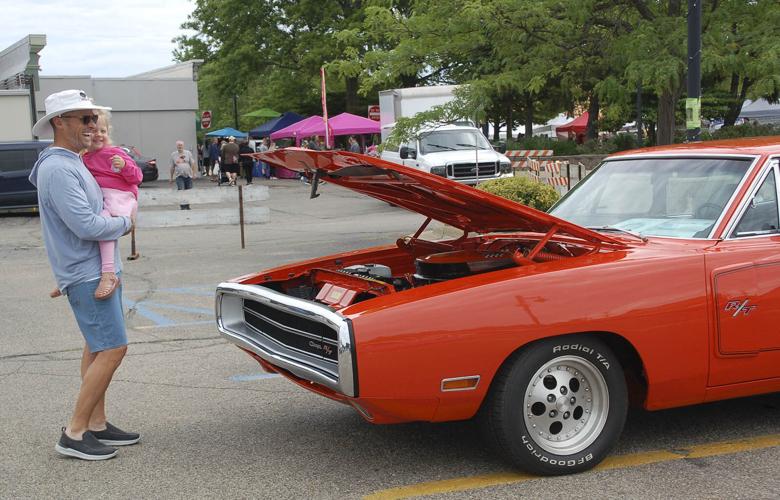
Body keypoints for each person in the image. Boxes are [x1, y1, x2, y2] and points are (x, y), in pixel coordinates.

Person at [29, 89, 139, 461]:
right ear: (60, 122)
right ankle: (74, 432)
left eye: (95, 118)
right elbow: (85, 225)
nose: (94, 125)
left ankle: (96, 423)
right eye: (85, 119)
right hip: (88, 274)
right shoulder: (58, 167)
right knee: (112, 347)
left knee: (96, 345)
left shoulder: (72, 161)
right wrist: (127, 222)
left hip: (91, 271)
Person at [50, 111, 142, 300]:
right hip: (104, 198)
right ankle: (68, 280)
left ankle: (108, 273)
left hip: (120, 198)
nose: (99, 134)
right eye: (94, 130)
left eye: (103, 130)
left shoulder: (114, 153)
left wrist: (124, 166)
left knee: (104, 227)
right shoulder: (83, 158)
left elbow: (137, 178)